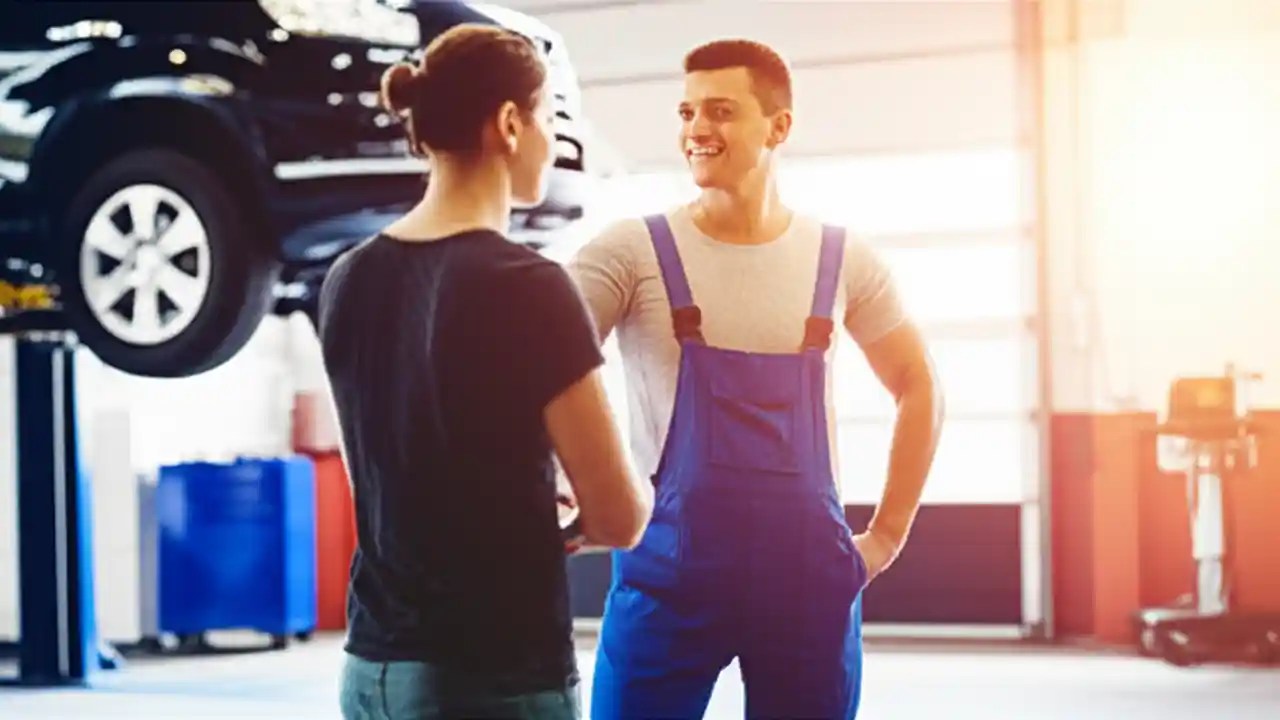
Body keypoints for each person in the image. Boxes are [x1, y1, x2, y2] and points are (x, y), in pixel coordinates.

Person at [568, 38, 945, 719]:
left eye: (719, 111)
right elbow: (537, 358)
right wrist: (578, 489)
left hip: (806, 584)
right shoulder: (632, 252)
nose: (695, 131)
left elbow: (920, 385)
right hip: (667, 582)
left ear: (779, 127)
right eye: (685, 113)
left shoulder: (840, 258)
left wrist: (886, 536)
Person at [316, 24, 652, 720]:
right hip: (491, 674)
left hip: (371, 669)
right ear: (508, 123)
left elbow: (392, 476)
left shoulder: (348, 279)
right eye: (550, 117)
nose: (554, 142)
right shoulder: (528, 285)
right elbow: (620, 515)